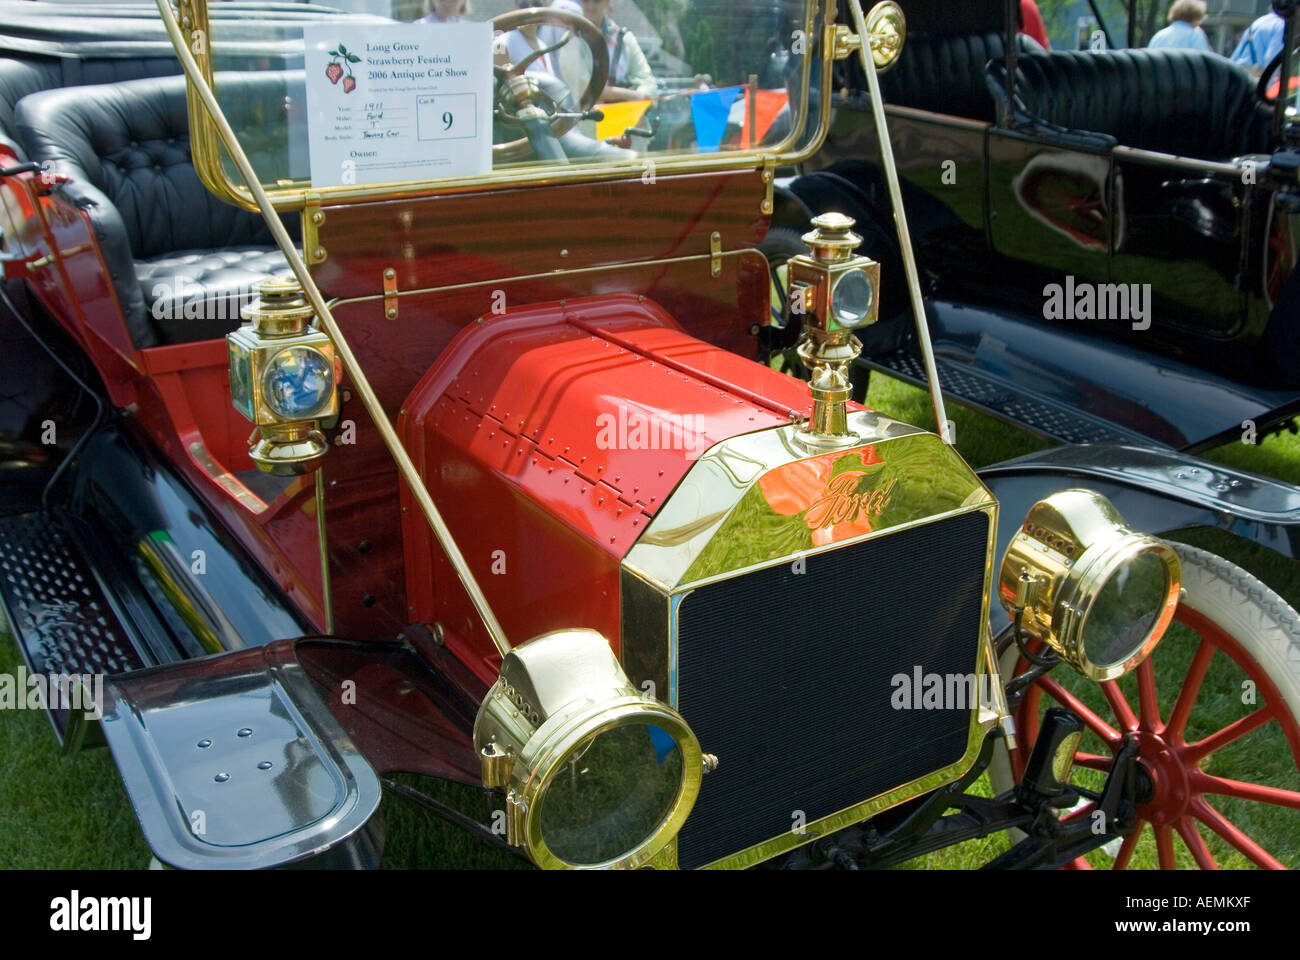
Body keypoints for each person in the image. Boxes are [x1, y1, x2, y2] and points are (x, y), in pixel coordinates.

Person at [578, 0, 657, 101]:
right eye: (585, 0)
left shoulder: (625, 39)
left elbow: (649, 86)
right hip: (587, 115)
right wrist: (631, 95)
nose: (590, 5)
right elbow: (583, 89)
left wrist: (641, 96)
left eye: (597, 1)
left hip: (624, 114)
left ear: (607, 2)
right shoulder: (572, 40)